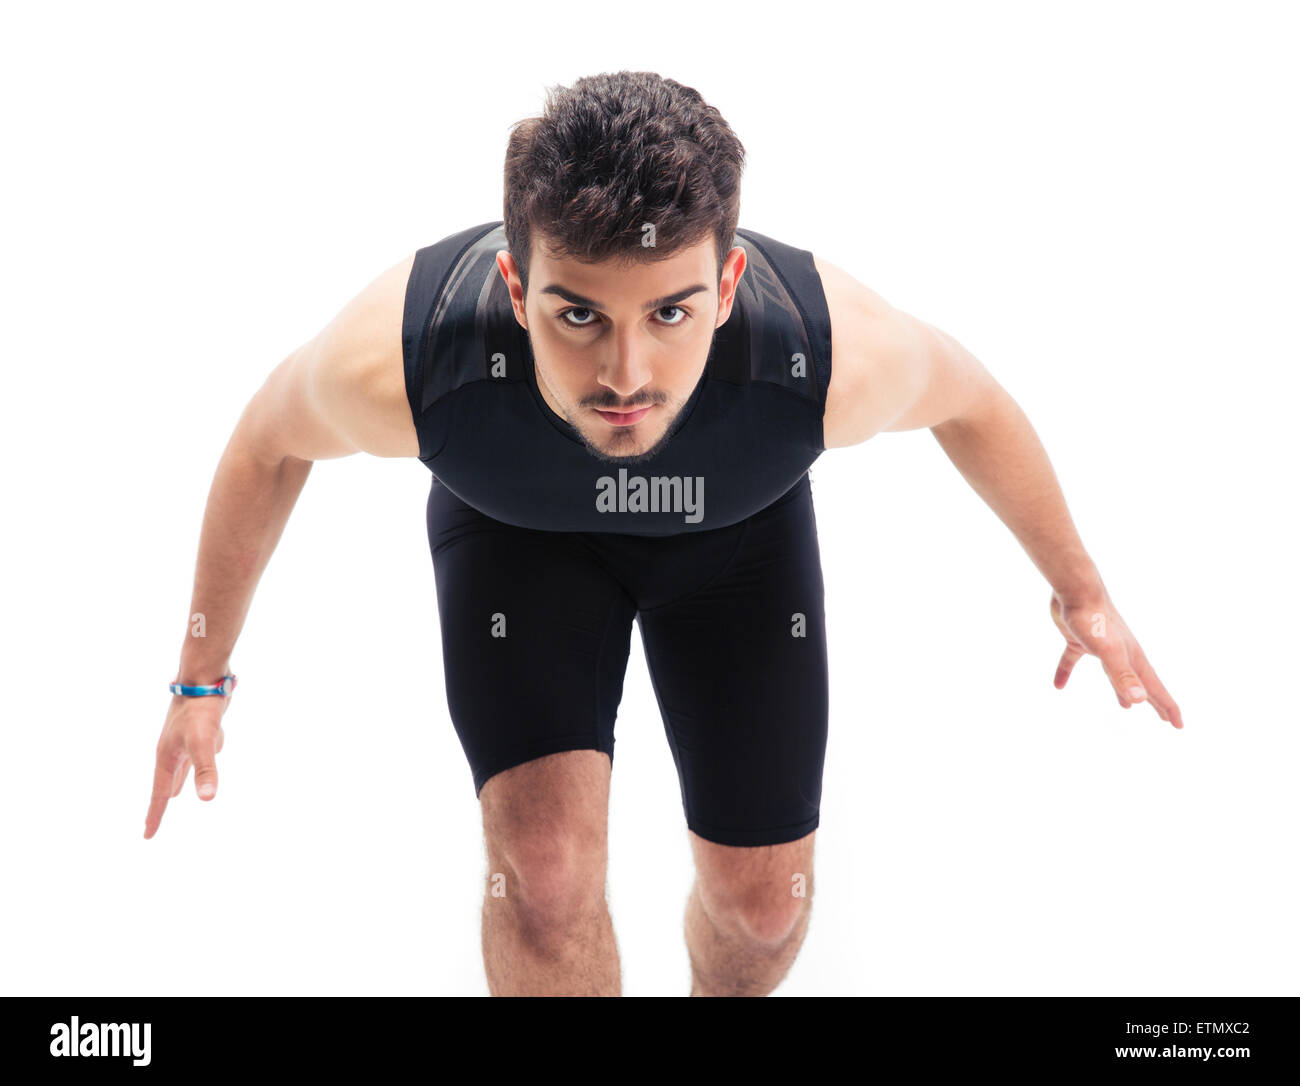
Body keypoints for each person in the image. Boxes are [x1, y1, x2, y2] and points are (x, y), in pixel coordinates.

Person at [144, 71, 1183, 996]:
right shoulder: (417, 358)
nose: (626, 378)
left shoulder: (823, 353)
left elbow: (975, 404)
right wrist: (201, 678)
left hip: (732, 551)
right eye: (579, 317)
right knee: (543, 886)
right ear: (517, 288)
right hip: (520, 544)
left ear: (727, 289)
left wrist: (1078, 588)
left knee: (763, 910)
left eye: (671, 316)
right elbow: (263, 448)